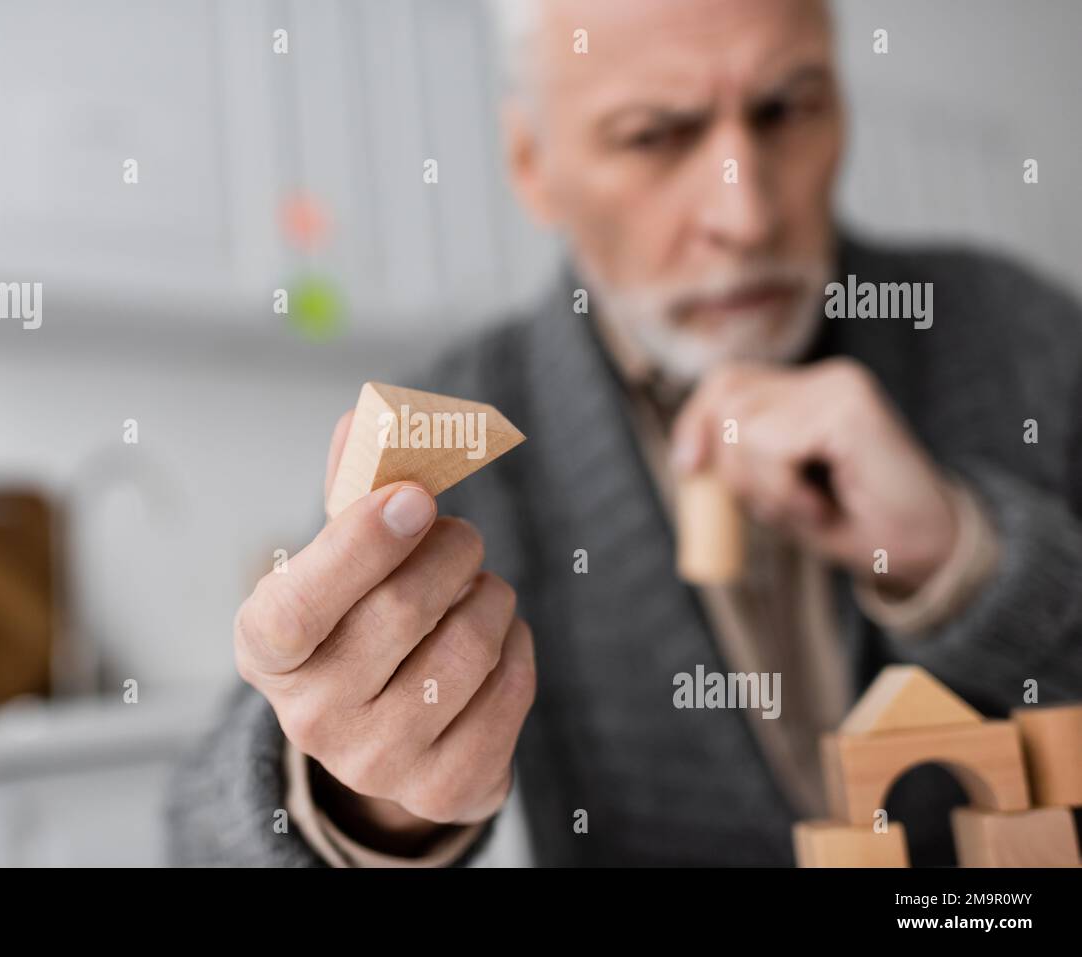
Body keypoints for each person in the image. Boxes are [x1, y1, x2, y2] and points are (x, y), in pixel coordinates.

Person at [167, 0, 1082, 866]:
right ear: (533, 164)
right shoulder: (461, 425)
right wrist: (353, 793)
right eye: (655, 135)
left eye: (786, 109)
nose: (746, 216)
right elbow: (194, 830)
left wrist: (971, 561)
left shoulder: (1023, 334)